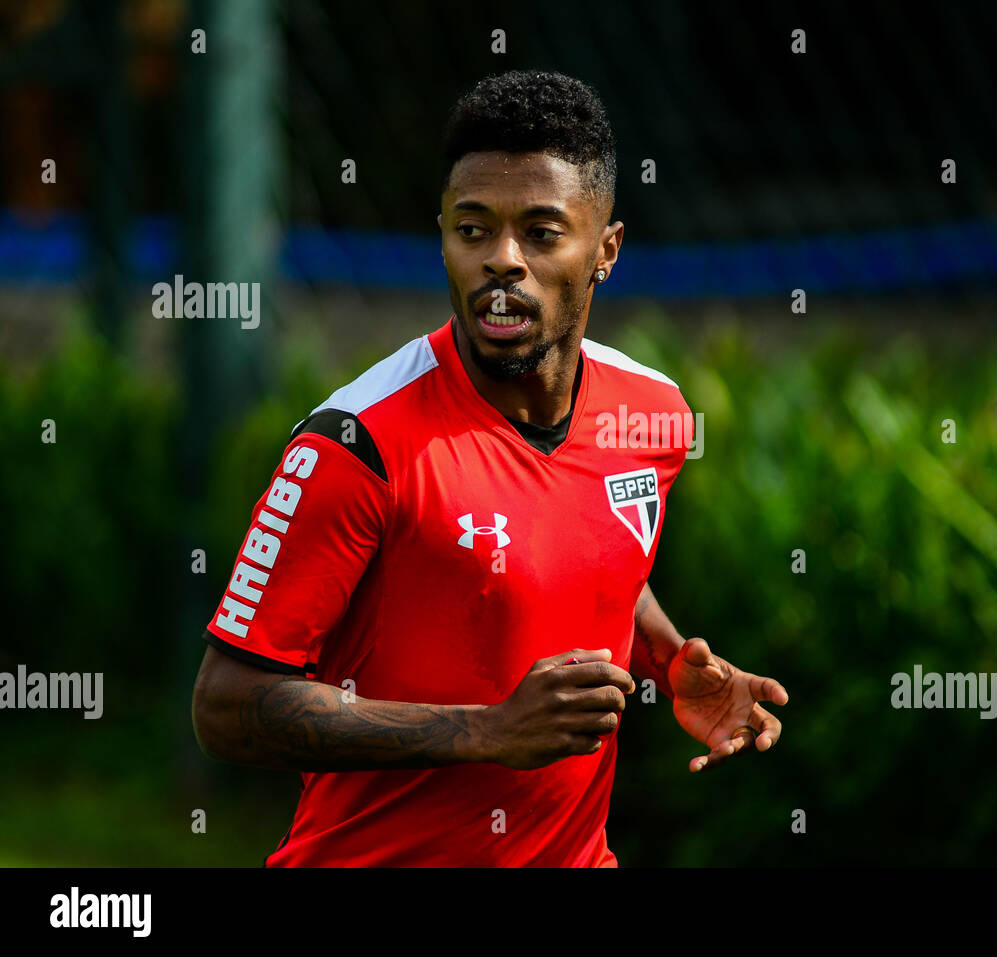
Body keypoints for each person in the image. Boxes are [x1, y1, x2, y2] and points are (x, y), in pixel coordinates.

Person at [191, 69, 788, 867]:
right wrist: (487, 730)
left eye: (541, 233)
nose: (502, 261)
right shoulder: (355, 444)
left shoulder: (653, 417)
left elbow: (591, 547)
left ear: (606, 249)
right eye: (472, 230)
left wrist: (670, 658)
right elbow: (227, 706)